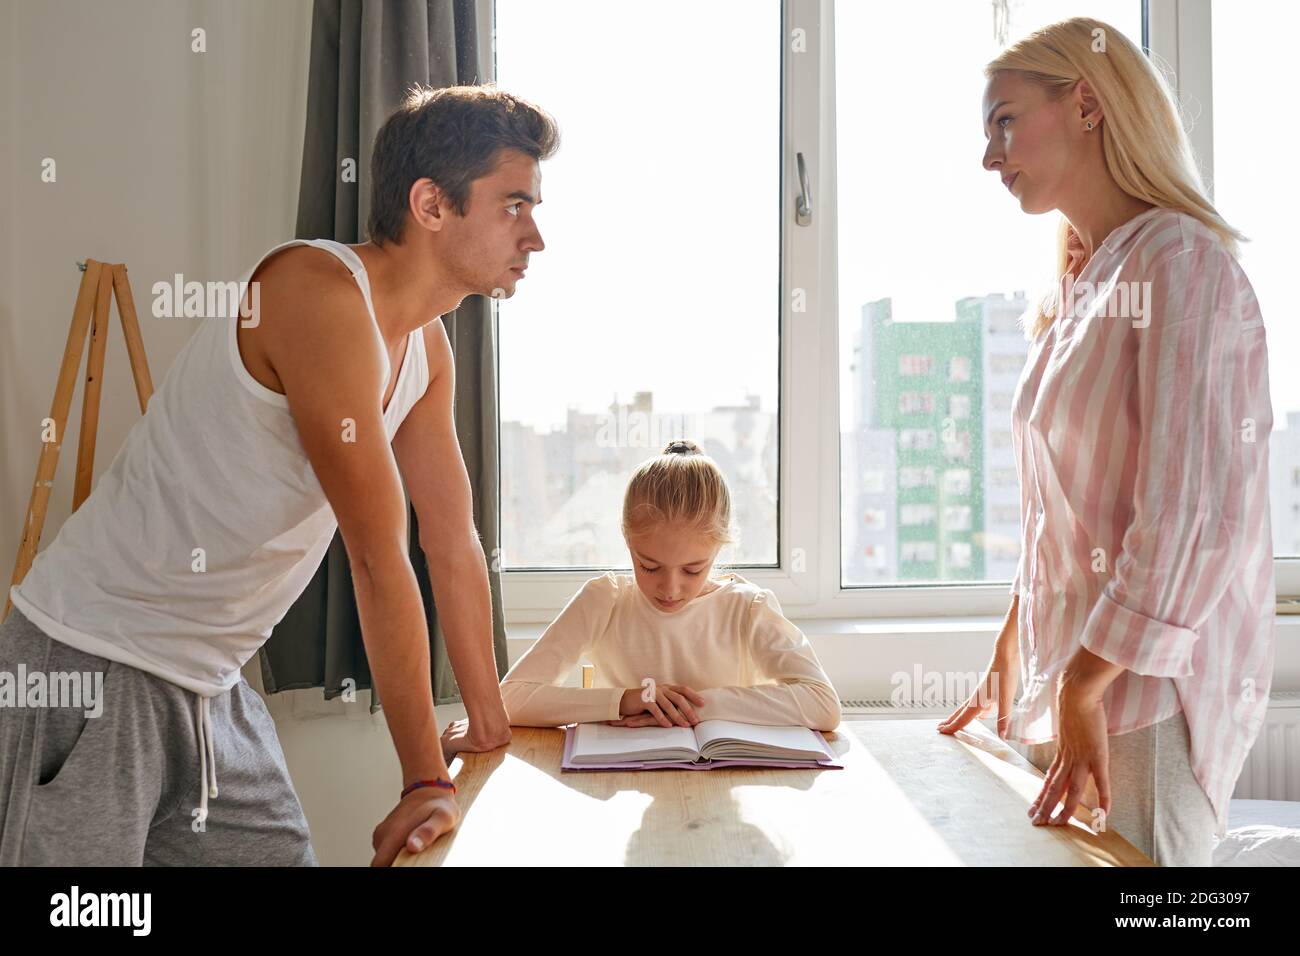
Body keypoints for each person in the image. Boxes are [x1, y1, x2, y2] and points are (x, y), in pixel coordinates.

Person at [0, 84, 558, 866]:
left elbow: (452, 540)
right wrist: (423, 776)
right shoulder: (313, 293)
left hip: (215, 684)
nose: (535, 236)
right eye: (514, 205)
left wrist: (489, 722)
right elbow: (376, 553)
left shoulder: (427, 353)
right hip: (93, 657)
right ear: (432, 204)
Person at [940, 18, 1273, 867]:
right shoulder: (1084, 284)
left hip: (1138, 700)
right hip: (1073, 687)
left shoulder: (1184, 266)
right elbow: (1063, 513)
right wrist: (1013, 652)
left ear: (1085, 102)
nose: (989, 157)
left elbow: (1196, 512)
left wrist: (1088, 680)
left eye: (1004, 121)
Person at [499, 440, 841, 733]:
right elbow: (510, 699)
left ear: (719, 549)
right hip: (620, 780)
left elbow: (823, 705)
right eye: (649, 566)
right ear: (627, 540)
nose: (670, 589)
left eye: (693, 570)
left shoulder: (748, 608)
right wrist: (626, 701)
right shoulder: (605, 600)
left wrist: (691, 708)